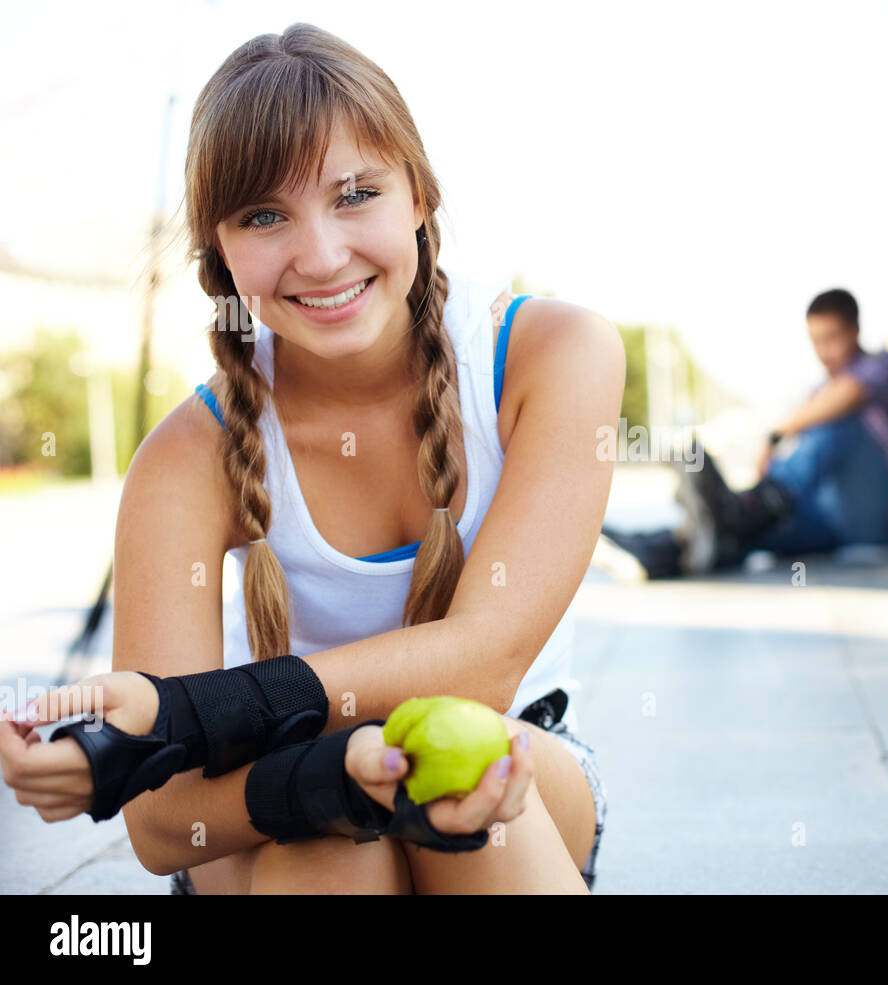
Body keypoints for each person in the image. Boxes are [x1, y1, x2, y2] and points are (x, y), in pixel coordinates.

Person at [0, 23, 623, 894]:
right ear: (218, 249)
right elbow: (161, 822)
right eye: (264, 215)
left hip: (516, 754)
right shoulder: (186, 457)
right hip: (270, 804)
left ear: (420, 194)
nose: (322, 255)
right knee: (329, 857)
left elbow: (483, 663)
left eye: (357, 194)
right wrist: (338, 779)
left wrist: (178, 712)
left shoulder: (551, 353)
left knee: (479, 810)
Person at [601, 288, 888, 577]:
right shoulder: (821, 390)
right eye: (817, 341)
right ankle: (652, 550)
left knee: (837, 419)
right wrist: (771, 468)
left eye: (833, 338)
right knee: (739, 535)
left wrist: (775, 435)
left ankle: (747, 508)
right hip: (834, 522)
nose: (825, 351)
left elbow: (847, 396)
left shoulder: (884, 368)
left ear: (856, 331)